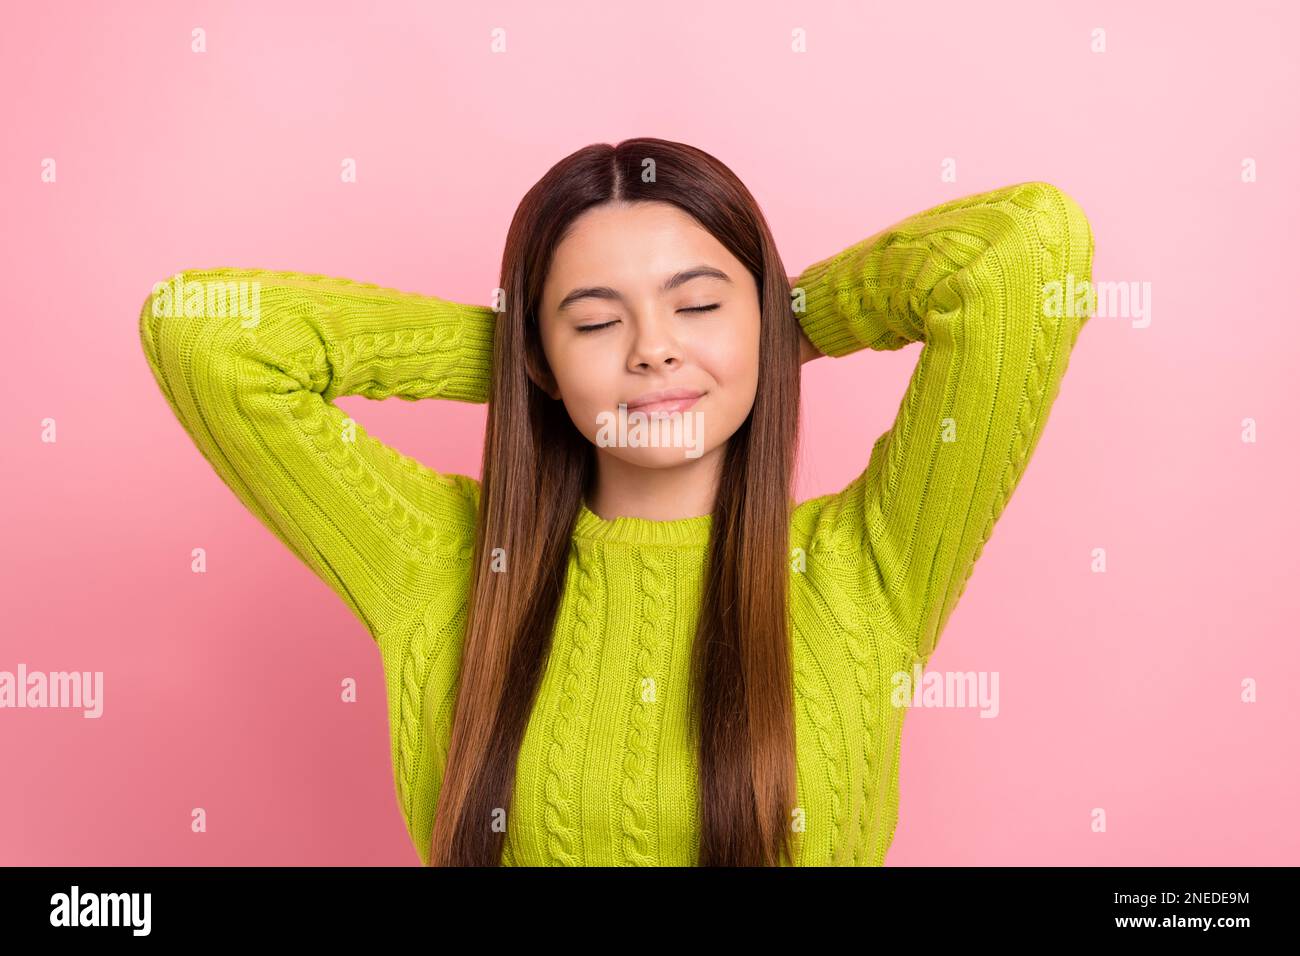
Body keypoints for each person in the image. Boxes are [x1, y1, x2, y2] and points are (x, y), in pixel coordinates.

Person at [138, 137, 1094, 866]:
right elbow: (204, 337)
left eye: (700, 305)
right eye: (595, 320)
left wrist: (793, 328)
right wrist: (522, 364)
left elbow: (1021, 253)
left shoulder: (866, 567)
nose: (652, 349)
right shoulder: (443, 563)